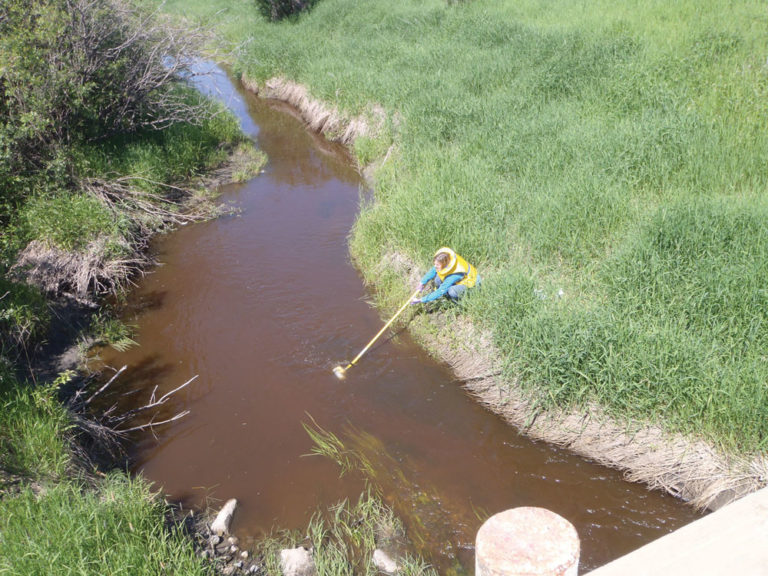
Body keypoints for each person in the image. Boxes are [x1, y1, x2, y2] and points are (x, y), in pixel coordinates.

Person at [412, 247, 479, 305]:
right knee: (437, 279)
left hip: (471, 283)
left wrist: (421, 300)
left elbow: (440, 291)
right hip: (457, 278)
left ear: (444, 264)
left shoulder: (455, 274)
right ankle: (442, 295)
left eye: (437, 265)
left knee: (452, 291)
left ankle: (457, 302)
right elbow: (433, 270)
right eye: (435, 263)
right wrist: (422, 283)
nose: (435, 266)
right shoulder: (448, 260)